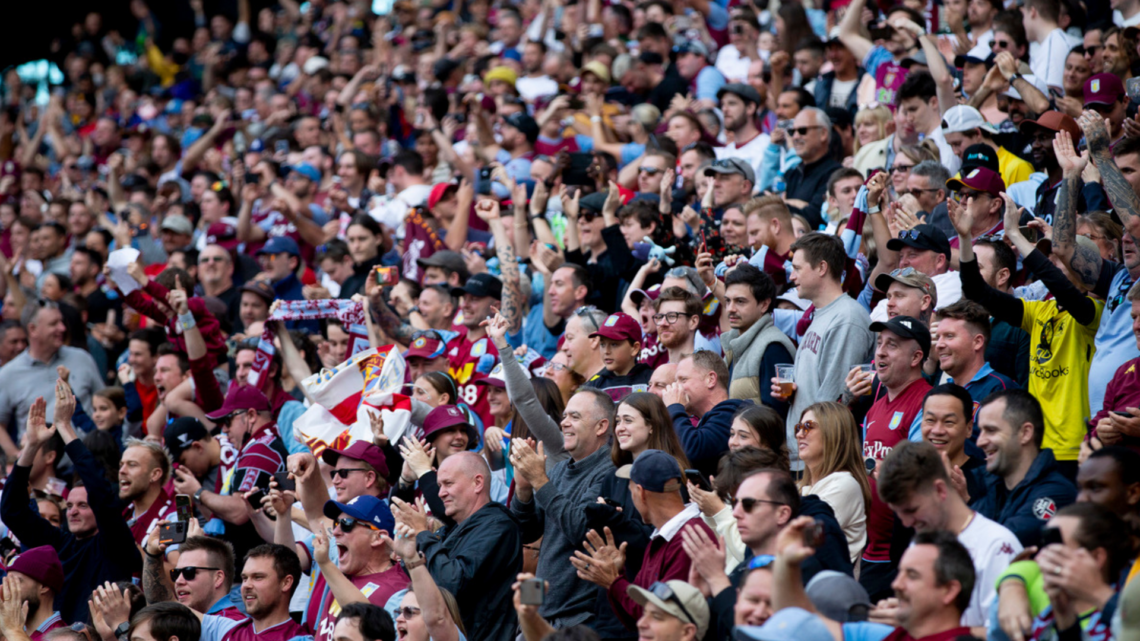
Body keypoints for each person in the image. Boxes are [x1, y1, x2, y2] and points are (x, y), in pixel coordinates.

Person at [1, 383, 141, 623]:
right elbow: (12, 511)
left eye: (83, 506)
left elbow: (100, 492)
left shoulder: (114, 544)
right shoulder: (58, 544)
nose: (73, 511)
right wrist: (32, 446)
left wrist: (66, 428)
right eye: (70, 505)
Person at [877, 441, 1022, 628]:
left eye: (911, 510)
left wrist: (921, 621)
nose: (906, 522)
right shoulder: (921, 540)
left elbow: (1002, 634)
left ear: (940, 490)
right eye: (898, 513)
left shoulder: (996, 546)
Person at [571, 450, 715, 632]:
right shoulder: (663, 536)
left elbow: (660, 618)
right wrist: (618, 574)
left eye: (629, 489)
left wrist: (613, 582)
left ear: (641, 493)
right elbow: (638, 620)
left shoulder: (689, 538)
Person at [509, 387, 616, 629]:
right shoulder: (557, 471)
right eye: (564, 416)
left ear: (601, 427)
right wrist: (524, 489)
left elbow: (581, 530)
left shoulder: (611, 471)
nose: (564, 423)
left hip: (577, 619)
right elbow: (527, 533)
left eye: (575, 417)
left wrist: (539, 480)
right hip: (539, 612)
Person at [765, 520, 975, 641]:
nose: (896, 585)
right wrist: (786, 561)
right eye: (899, 573)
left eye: (912, 575)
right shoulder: (890, 636)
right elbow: (799, 623)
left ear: (949, 591)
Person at [390, 452, 521, 641]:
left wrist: (422, 533)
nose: (441, 493)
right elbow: (420, 581)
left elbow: (450, 584)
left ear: (477, 483)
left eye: (448, 484)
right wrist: (409, 548)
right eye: (439, 485)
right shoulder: (453, 530)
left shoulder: (498, 526)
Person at [773, 233, 874, 469]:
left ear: (821, 268)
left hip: (823, 458)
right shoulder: (820, 314)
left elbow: (833, 403)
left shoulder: (847, 318)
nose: (792, 275)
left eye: (798, 268)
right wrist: (793, 394)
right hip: (805, 455)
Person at [858, 315, 932, 599]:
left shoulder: (927, 403)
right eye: (879, 343)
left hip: (899, 554)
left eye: (892, 345)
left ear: (916, 357)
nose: (880, 352)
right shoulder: (875, 407)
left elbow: (917, 473)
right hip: (868, 548)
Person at [971, 389, 1077, 547]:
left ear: (1025, 433)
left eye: (991, 430)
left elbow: (1000, 547)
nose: (980, 442)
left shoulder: (1056, 492)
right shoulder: (991, 486)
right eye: (980, 432)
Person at [0, 303, 104, 456]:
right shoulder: (9, 373)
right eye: (54, 324)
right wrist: (17, 456)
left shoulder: (82, 358)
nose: (62, 328)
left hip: (89, 466)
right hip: (40, 474)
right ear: (32, 329)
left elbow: (105, 403)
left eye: (61, 322)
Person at [796, 402, 872, 564]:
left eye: (808, 426)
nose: (799, 434)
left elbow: (801, 541)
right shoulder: (804, 487)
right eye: (799, 427)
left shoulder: (843, 486)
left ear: (833, 433)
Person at [719, 263, 796, 413]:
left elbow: (775, 417)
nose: (730, 309)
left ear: (764, 304)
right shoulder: (736, 343)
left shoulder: (773, 347)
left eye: (740, 301)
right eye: (728, 301)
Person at [198, 544, 312, 641]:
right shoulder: (227, 629)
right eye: (244, 578)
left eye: (258, 577)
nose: (246, 585)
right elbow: (183, 613)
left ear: (286, 583)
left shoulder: (299, 638)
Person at [663, 351, 749, 478]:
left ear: (711, 379)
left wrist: (675, 407)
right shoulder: (710, 418)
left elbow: (693, 451)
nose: (676, 388)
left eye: (683, 380)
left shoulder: (732, 414)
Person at [933, 300, 1019, 413]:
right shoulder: (942, 392)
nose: (939, 345)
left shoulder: (1000, 389)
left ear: (977, 342)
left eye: (949, 336)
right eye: (938, 337)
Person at [142, 533, 241, 617]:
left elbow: (161, 602)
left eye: (189, 572)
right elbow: (158, 605)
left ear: (218, 578)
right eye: (176, 574)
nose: (178, 581)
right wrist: (152, 552)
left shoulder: (233, 626)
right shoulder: (187, 619)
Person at [783, 108, 844, 229]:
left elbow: (812, 217)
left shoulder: (836, 174)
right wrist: (794, 205)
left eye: (802, 130)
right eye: (791, 132)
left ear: (823, 134)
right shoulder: (792, 172)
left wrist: (781, 204)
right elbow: (763, 198)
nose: (795, 137)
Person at [582, 312, 653, 400]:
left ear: (635, 348)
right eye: (602, 344)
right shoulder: (593, 386)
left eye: (614, 344)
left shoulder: (651, 381)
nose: (606, 351)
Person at [120, 439, 177, 546]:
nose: (122, 470)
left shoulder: (171, 519)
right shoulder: (124, 514)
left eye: (132, 465)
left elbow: (177, 563)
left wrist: (129, 548)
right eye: (121, 465)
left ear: (155, 474)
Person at [5, 545, 66, 639]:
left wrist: (14, 631)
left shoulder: (64, 637)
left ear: (44, 586)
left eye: (16, 582)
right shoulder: (7, 630)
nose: (7, 589)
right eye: (7, 582)